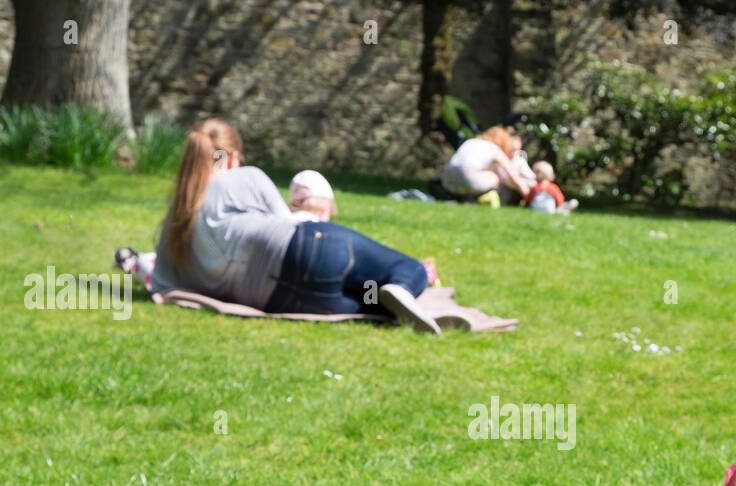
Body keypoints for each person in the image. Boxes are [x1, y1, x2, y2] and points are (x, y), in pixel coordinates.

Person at [151, 119, 439, 333]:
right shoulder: (244, 178)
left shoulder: (175, 222)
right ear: (233, 157)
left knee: (373, 305)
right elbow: (290, 225)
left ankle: (387, 296)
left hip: (279, 299)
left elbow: (162, 284)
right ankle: (401, 285)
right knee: (408, 267)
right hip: (307, 249)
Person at [440, 125, 535, 206]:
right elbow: (513, 176)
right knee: (496, 178)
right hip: (468, 179)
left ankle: (461, 201)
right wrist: (528, 194)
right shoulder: (495, 149)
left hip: (446, 181)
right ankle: (478, 203)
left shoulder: (471, 141)